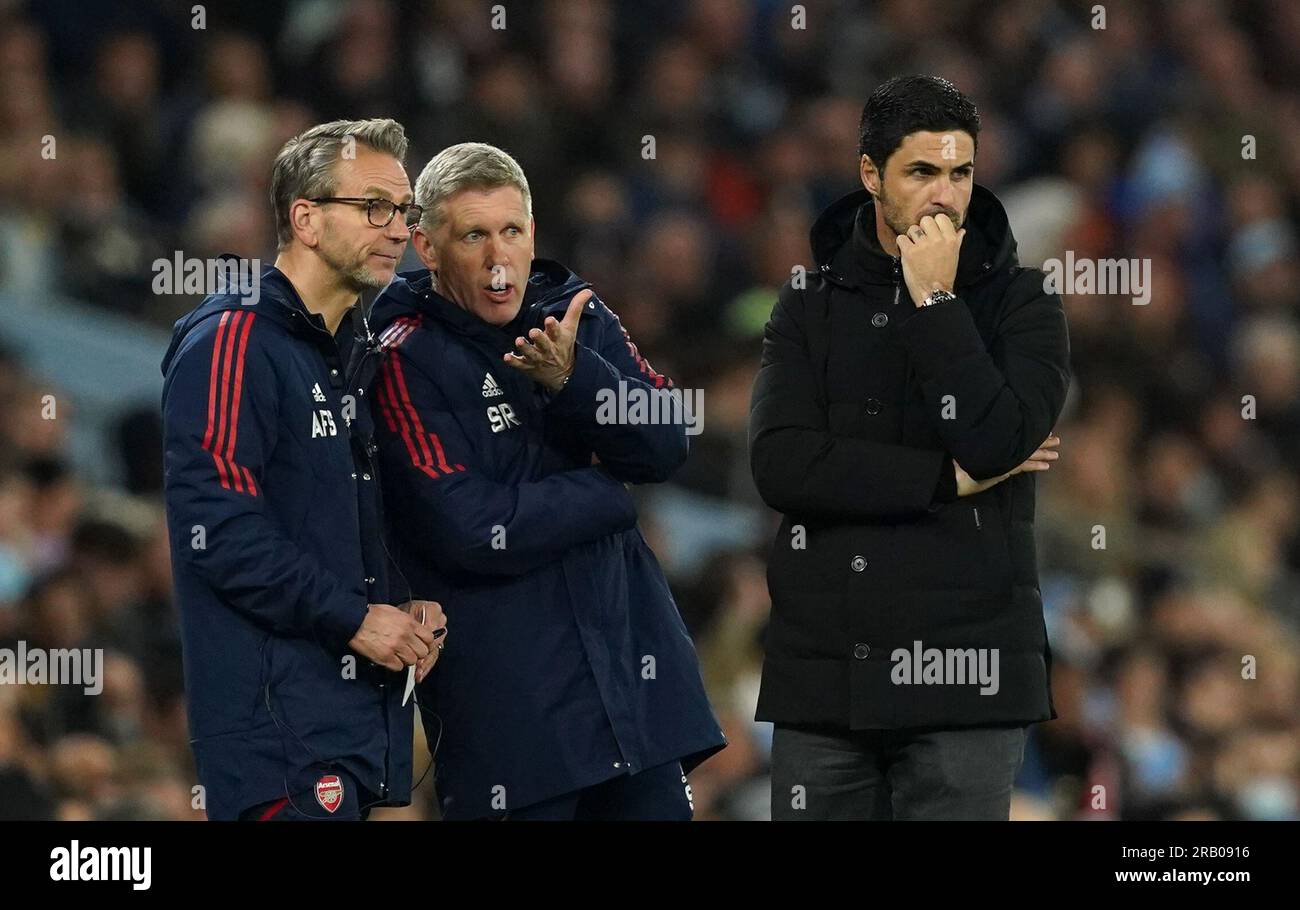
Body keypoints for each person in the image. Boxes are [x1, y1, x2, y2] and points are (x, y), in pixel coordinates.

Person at [369, 141, 725, 820]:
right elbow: (471, 528)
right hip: (517, 728)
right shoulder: (402, 360)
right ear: (426, 246)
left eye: (511, 230)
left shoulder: (576, 315)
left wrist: (572, 380)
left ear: (533, 233)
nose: (498, 256)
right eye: (473, 235)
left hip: (635, 695)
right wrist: (606, 494)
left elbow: (666, 444)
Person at [749, 75, 1071, 820]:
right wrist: (943, 479)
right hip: (828, 679)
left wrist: (935, 302)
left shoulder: (1024, 302)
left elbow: (994, 440)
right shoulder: (806, 306)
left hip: (968, 678)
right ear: (871, 175)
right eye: (922, 172)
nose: (945, 195)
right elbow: (782, 465)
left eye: (960, 173)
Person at [161, 118, 446, 821]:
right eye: (374, 206)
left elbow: (334, 524)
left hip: (346, 725)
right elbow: (218, 532)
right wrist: (354, 617)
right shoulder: (233, 337)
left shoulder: (355, 354)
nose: (397, 230)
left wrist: (402, 602)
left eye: (405, 213)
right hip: (274, 733)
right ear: (306, 218)